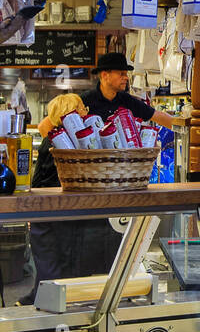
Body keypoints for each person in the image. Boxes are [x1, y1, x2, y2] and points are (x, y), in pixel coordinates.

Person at [26, 53, 175, 304]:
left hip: (107, 185)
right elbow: (45, 127)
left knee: (88, 244)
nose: (126, 77)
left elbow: (159, 117)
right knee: (61, 249)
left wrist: (191, 126)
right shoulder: (81, 103)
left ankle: (87, 290)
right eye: (121, 73)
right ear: (104, 76)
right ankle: (55, 295)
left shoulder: (126, 101)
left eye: (126, 73)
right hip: (70, 188)